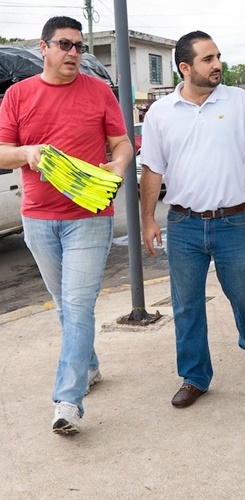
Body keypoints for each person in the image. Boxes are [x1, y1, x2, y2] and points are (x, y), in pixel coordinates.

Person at [139, 31, 245, 409]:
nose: (217, 63)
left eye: (218, 56)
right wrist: (148, 220)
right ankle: (194, 376)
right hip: (184, 224)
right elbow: (152, 170)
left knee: (244, 295)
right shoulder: (160, 113)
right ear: (185, 67)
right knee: (186, 304)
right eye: (208, 58)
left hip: (234, 222)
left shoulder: (238, 102)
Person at [0, 16, 132, 435]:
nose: (74, 52)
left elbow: (122, 141)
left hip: (89, 217)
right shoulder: (18, 96)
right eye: (65, 45)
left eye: (79, 46)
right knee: (64, 305)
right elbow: (2, 152)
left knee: (77, 307)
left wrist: (120, 163)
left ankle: (68, 400)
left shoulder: (98, 92)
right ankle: (89, 365)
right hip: (38, 218)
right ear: (44, 48)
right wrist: (27, 153)